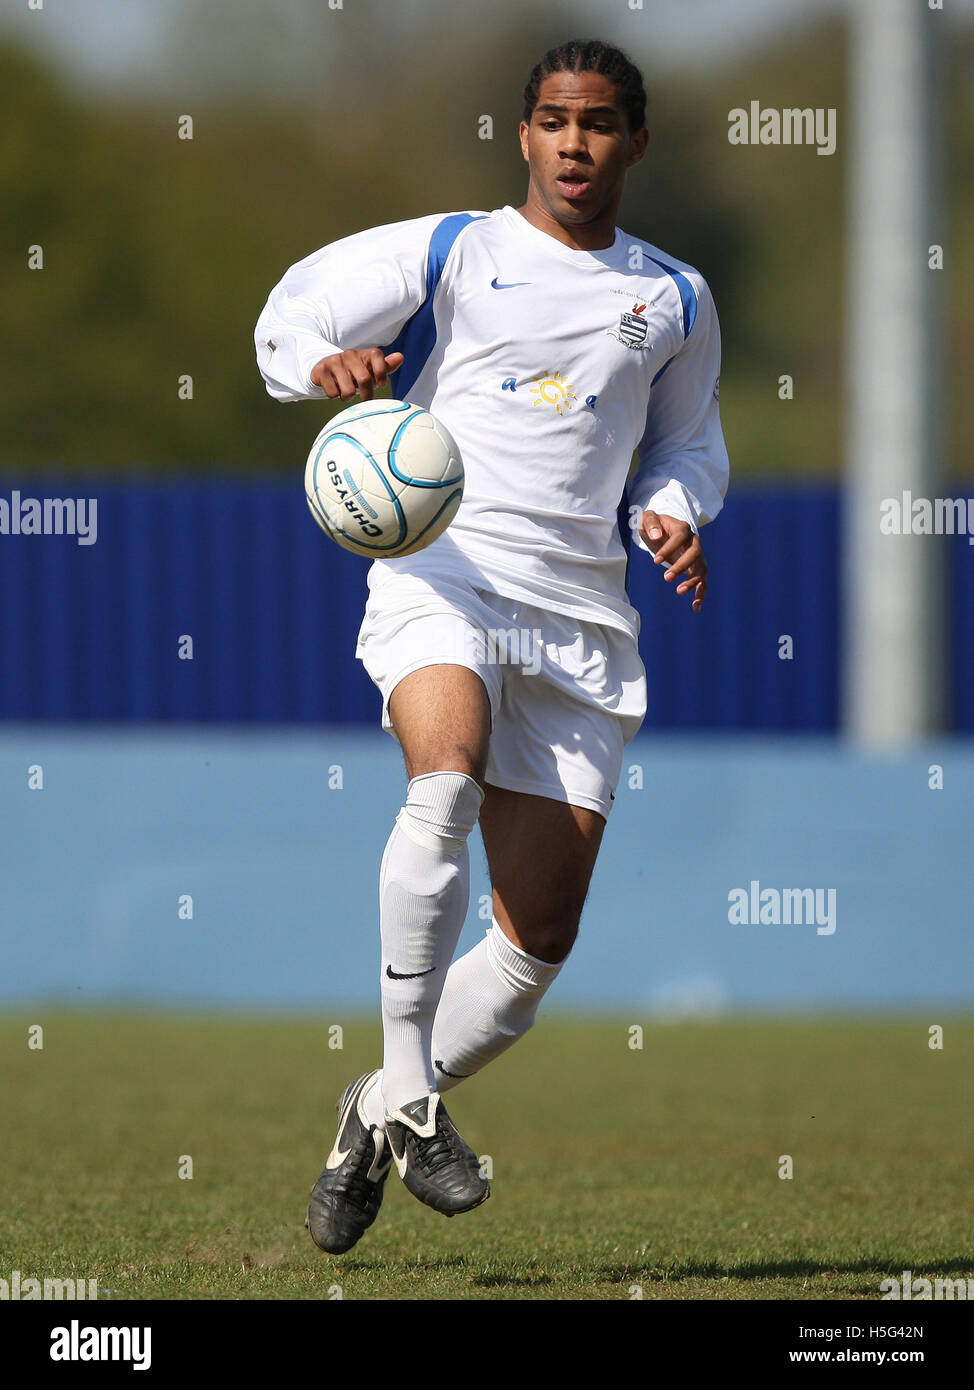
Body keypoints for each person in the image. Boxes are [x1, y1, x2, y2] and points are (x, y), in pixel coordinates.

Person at [255, 37, 729, 1254]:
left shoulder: (671, 295)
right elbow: (294, 308)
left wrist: (674, 510)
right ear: (521, 134)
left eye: (601, 123)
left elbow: (685, 443)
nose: (576, 143)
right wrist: (329, 366)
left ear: (635, 140)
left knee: (531, 952)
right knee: (443, 775)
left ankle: (372, 1107)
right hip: (444, 568)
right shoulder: (457, 250)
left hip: (579, 616)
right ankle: (415, 1092)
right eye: (555, 121)